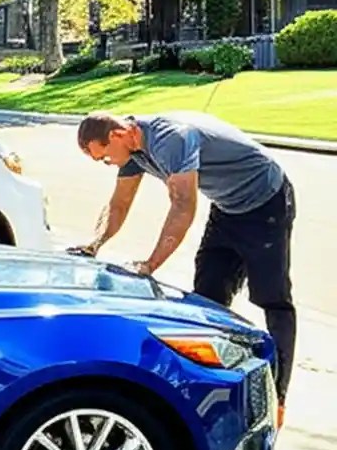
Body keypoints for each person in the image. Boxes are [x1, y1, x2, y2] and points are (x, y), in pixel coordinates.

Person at [74, 110, 295, 428]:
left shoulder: (172, 139)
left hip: (267, 202)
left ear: (118, 135)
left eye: (104, 157)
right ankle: (220, 389)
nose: (106, 163)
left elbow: (182, 203)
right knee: (207, 297)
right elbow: (119, 204)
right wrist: (94, 243)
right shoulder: (132, 150)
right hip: (228, 209)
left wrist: (150, 264)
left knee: (272, 299)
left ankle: (279, 397)